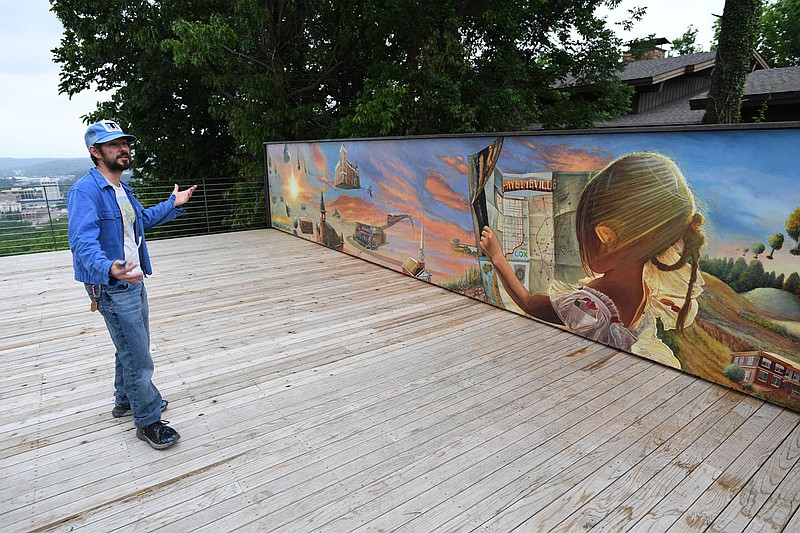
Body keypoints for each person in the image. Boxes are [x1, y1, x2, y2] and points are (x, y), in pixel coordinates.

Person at [480, 152, 706, 369]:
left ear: (606, 237)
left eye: (582, 235)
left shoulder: (589, 305)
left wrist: (497, 257)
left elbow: (528, 303)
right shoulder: (644, 287)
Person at [67, 119, 196, 449]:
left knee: (129, 345)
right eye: (113, 145)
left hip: (133, 278)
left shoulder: (124, 190)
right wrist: (110, 267)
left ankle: (125, 401)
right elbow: (82, 242)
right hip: (112, 284)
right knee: (138, 356)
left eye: (124, 143)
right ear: (95, 152)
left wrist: (173, 204)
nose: (122, 149)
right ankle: (148, 419)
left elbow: (144, 221)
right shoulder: (86, 192)